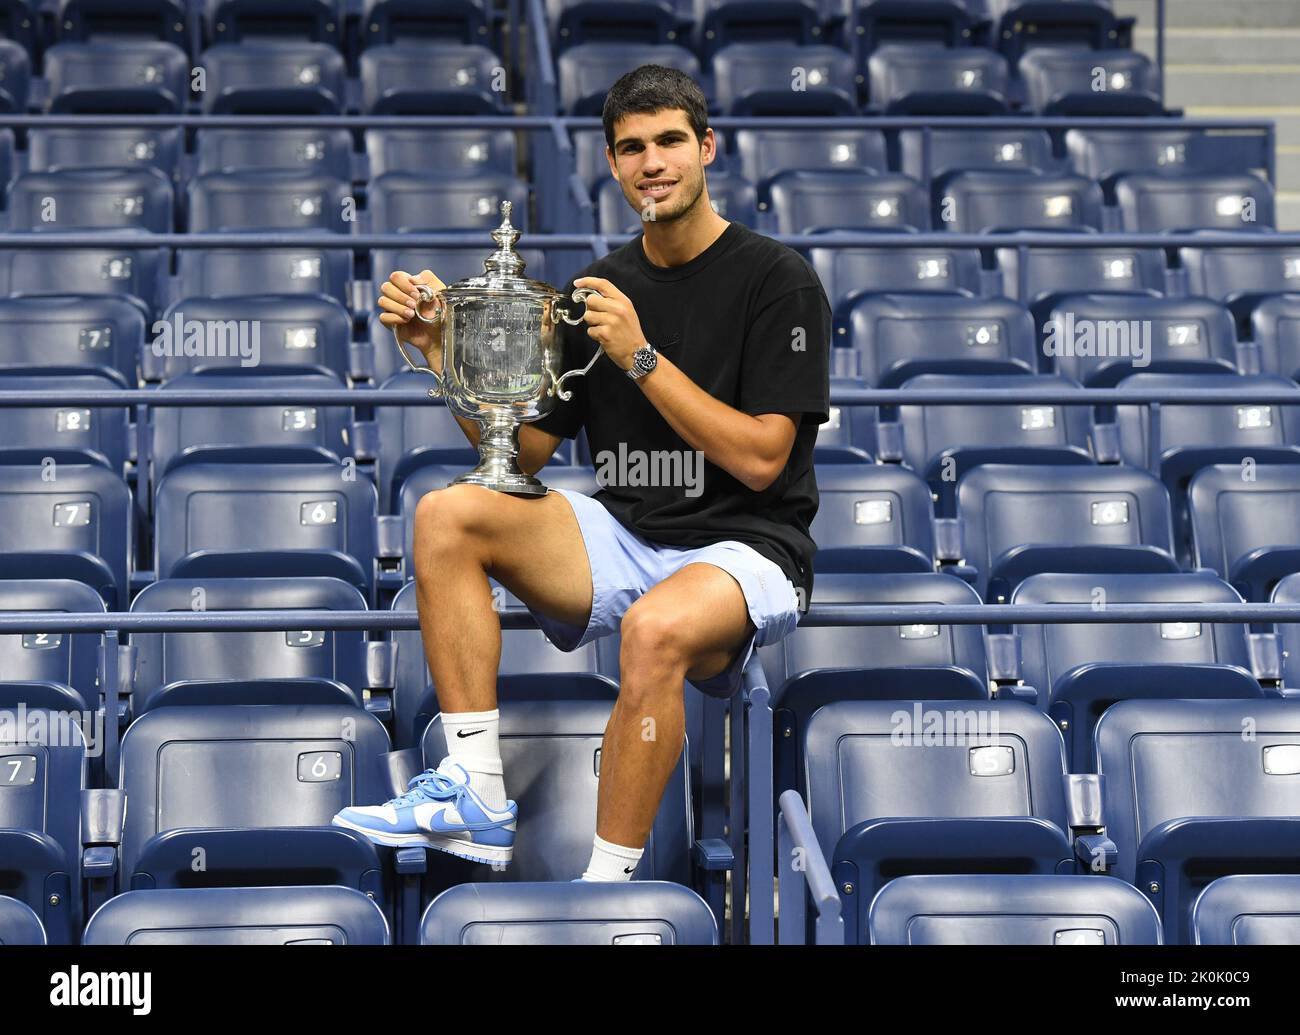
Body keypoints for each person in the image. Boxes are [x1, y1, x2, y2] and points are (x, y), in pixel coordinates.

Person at [333, 64, 831, 881]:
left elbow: (761, 455)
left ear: (707, 148)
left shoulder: (777, 279)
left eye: (671, 141)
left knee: (655, 631)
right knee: (446, 514)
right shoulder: (600, 287)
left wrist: (639, 356)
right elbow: (519, 456)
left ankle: (608, 890)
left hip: (749, 548)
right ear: (611, 164)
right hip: (626, 533)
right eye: (631, 148)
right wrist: (440, 352)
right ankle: (475, 789)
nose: (653, 162)